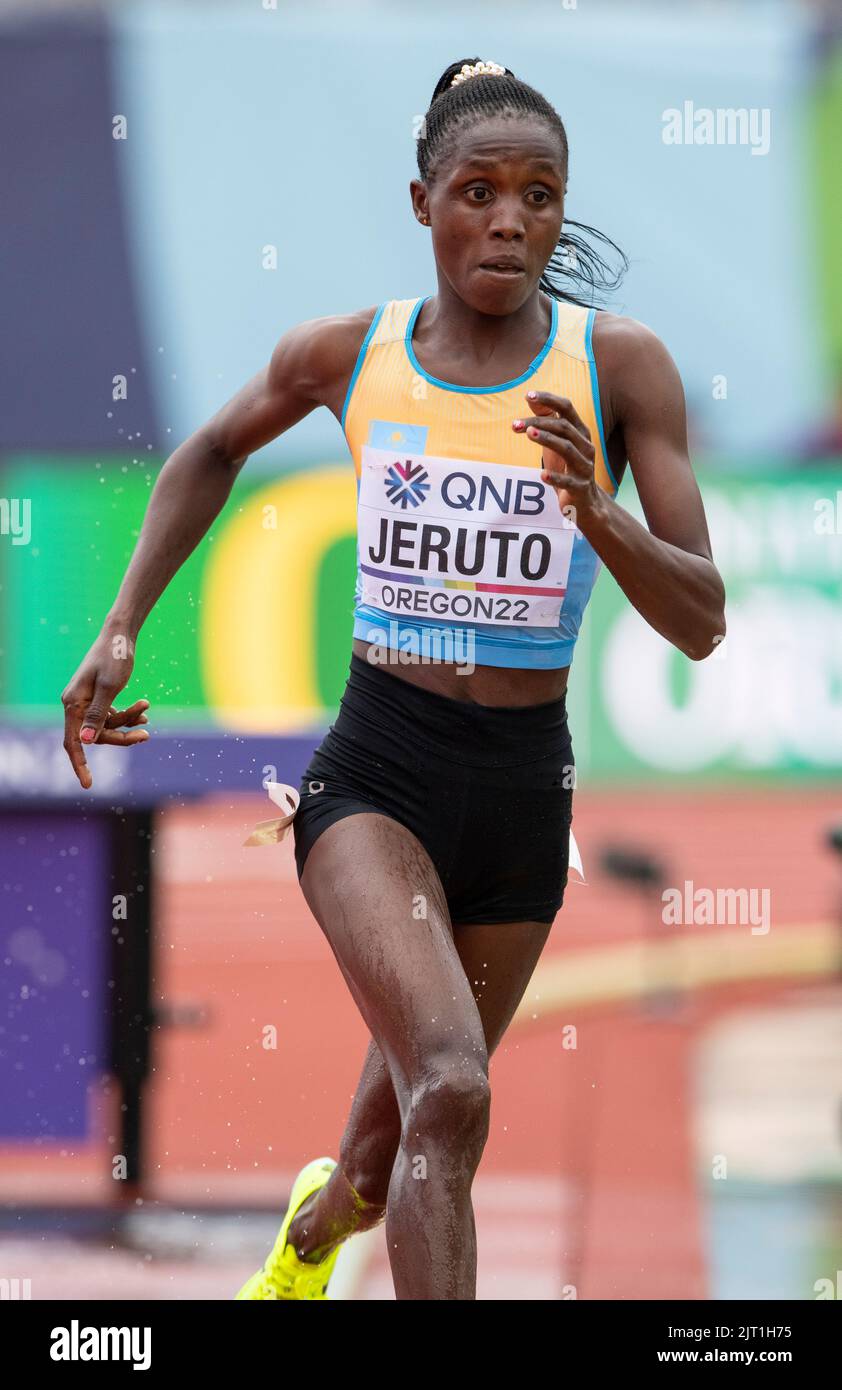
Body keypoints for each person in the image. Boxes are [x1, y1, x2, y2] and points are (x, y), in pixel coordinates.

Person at [61, 57, 726, 1301]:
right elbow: (209, 447)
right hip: (379, 773)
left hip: (524, 795)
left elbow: (701, 621)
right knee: (454, 1085)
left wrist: (598, 515)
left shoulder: (619, 370)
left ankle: (306, 1246)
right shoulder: (350, 353)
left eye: (540, 194)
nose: (511, 220)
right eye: (479, 191)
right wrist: (119, 626)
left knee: (388, 1152)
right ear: (422, 202)